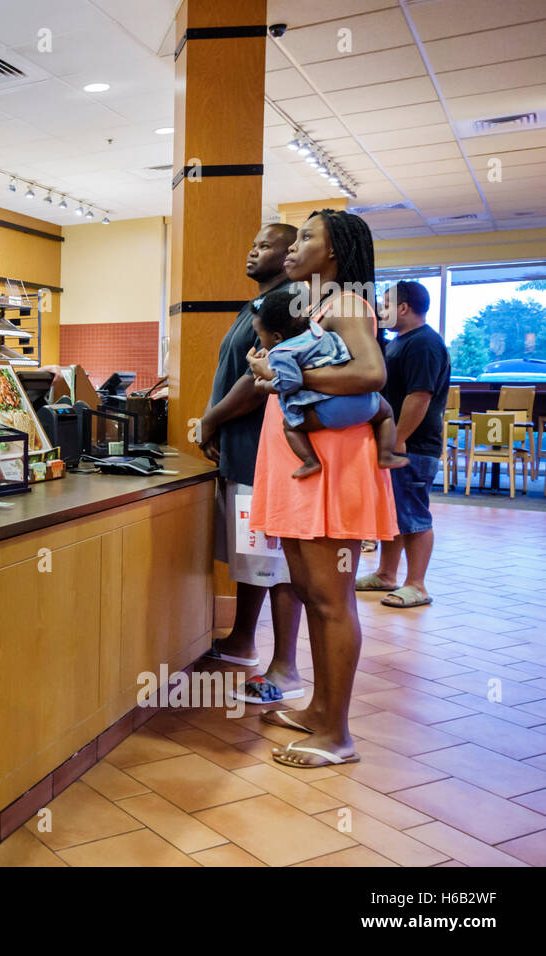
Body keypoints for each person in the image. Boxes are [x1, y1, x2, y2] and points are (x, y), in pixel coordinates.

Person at [246, 209, 398, 769]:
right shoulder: (320, 309)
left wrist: (287, 376)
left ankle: (337, 734)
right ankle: (319, 709)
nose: (293, 246)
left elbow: (370, 375)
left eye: (308, 237)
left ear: (334, 254)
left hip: (333, 472)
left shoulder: (349, 305)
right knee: (313, 593)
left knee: (332, 602)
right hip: (308, 470)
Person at [197, 223, 304, 704]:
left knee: (274, 561)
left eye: (265, 246)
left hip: (263, 453)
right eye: (252, 241)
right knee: (253, 556)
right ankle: (243, 640)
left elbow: (255, 379)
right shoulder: (256, 304)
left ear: (287, 257)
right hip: (242, 452)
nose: (252, 250)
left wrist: (210, 420)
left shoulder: (283, 306)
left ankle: (285, 666)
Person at [355, 280, 450, 608]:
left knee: (414, 514)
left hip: (414, 447)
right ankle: (386, 574)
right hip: (395, 444)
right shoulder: (400, 342)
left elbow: (419, 397)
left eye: (385, 305)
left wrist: (398, 439)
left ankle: (417, 585)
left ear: (403, 308)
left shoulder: (424, 344)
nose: (381, 312)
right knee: (394, 513)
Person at [248, 290, 409, 480]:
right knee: (387, 414)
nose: (260, 342)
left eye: (260, 336)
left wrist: (265, 383)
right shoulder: (317, 331)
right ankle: (385, 455)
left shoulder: (281, 353)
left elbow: (290, 382)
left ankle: (310, 461)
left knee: (290, 426)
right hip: (368, 402)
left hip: (331, 408)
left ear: (276, 337)